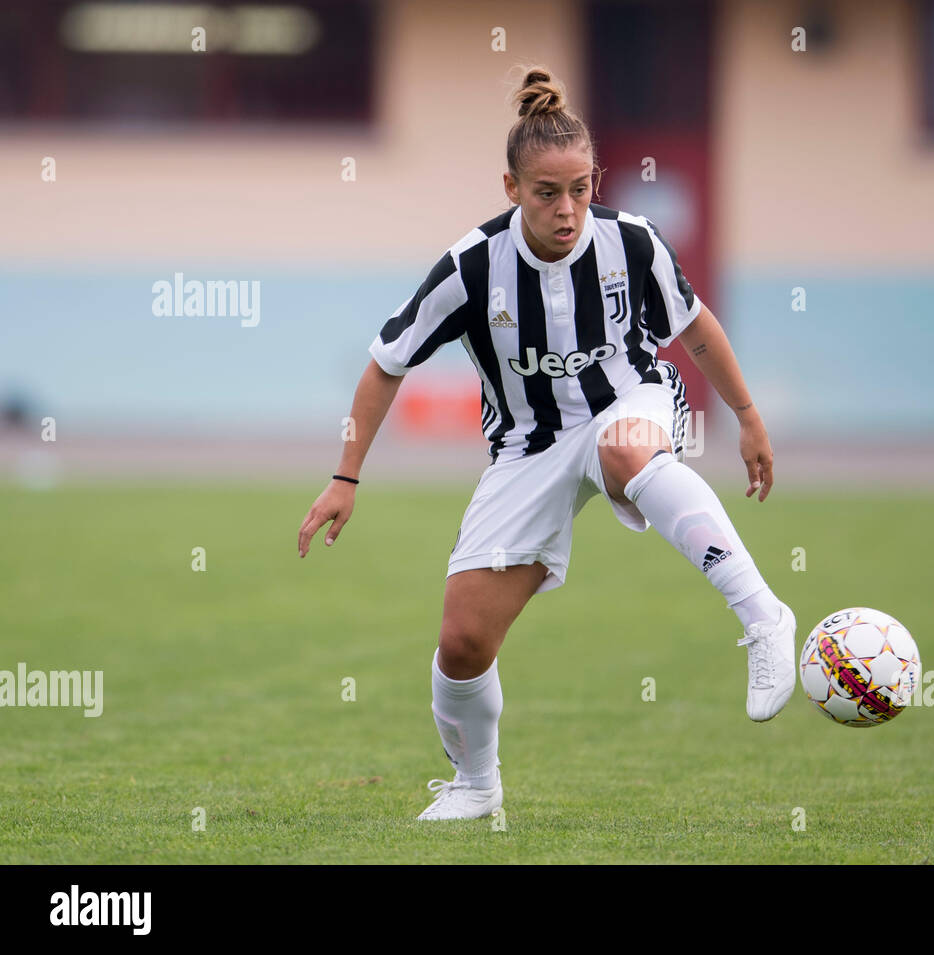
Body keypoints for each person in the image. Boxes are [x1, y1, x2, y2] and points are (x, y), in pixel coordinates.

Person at [296, 67, 795, 821]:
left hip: (630, 401)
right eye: (546, 193)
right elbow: (385, 365)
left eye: (581, 190)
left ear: (595, 181)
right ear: (510, 186)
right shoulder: (472, 266)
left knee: (629, 451)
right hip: (528, 449)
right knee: (463, 641)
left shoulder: (633, 242)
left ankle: (763, 617)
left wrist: (748, 413)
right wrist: (345, 476)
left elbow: (695, 327)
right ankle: (474, 785)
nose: (567, 211)